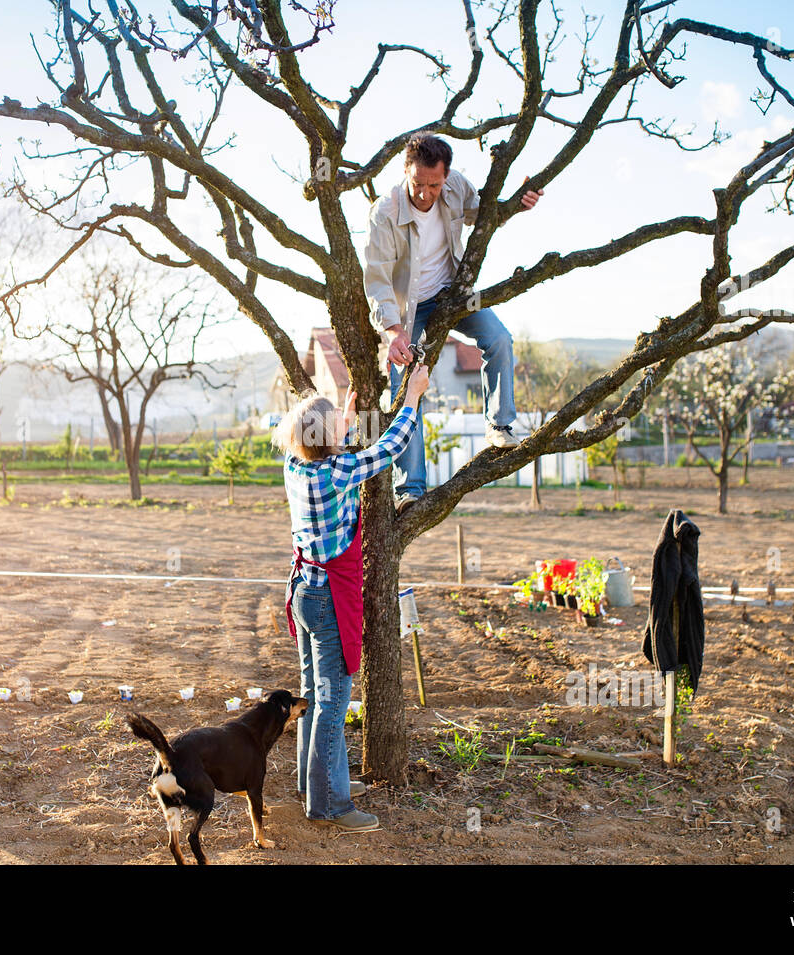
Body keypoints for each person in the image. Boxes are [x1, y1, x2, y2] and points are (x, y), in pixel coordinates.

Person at [272, 362, 431, 830]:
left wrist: (340, 412)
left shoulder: (296, 465)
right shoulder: (338, 472)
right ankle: (329, 805)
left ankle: (314, 782)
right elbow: (389, 447)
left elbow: (321, 438)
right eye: (336, 427)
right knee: (332, 703)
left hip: (301, 588)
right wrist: (413, 397)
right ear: (328, 440)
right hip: (326, 600)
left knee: (310, 694)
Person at [364, 132, 542, 513]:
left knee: (499, 339)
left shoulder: (456, 185)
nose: (426, 193)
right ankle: (409, 488)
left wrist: (517, 204)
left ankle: (499, 426)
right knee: (406, 389)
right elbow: (377, 278)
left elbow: (485, 213)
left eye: (434, 184)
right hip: (406, 312)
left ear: (445, 176)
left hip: (452, 294)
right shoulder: (384, 212)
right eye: (418, 184)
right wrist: (394, 331)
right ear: (406, 172)